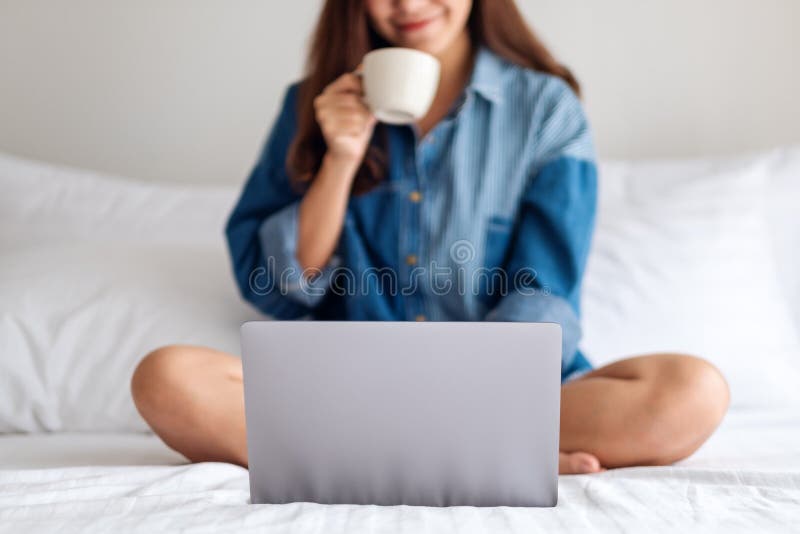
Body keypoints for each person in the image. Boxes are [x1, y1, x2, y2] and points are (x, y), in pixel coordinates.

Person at [131, 0, 730, 475]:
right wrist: (340, 157)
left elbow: (546, 292)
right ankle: (485, 459)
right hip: (349, 389)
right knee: (167, 378)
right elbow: (282, 286)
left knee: (692, 392)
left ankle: (375, 458)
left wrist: (464, 393)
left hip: (503, 392)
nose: (408, 3)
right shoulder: (311, 103)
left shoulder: (545, 107)